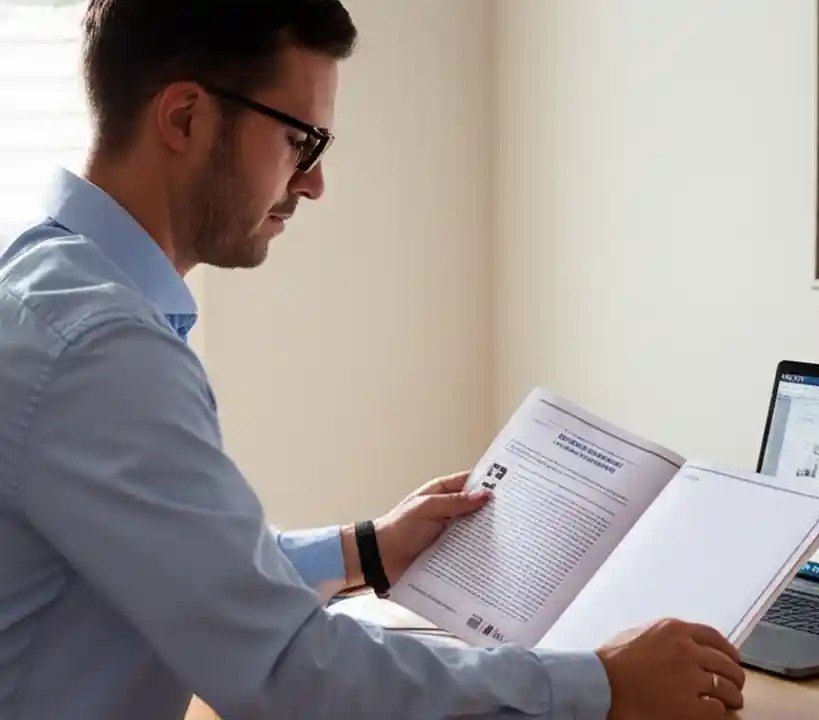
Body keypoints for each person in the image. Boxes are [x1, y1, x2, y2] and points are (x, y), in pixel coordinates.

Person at [0, 1, 746, 718]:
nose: (314, 182)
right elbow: (288, 675)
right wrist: (603, 686)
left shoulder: (48, 287)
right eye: (300, 141)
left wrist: (369, 549)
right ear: (186, 117)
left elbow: (192, 573)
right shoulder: (104, 349)